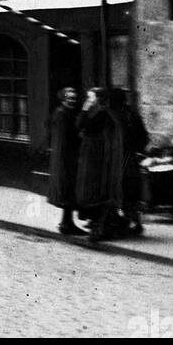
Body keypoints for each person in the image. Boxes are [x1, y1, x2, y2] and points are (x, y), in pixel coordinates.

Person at [76, 87, 121, 244]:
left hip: (98, 156)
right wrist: (84, 111)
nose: (88, 99)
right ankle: (96, 225)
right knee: (89, 189)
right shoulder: (93, 112)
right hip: (89, 154)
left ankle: (98, 227)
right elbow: (79, 125)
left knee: (96, 190)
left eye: (91, 97)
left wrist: (84, 111)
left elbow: (88, 127)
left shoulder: (103, 113)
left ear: (98, 99)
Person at [111, 87, 149, 235]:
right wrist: (137, 150)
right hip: (130, 158)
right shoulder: (131, 113)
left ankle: (125, 222)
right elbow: (143, 137)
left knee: (120, 190)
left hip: (117, 159)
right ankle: (135, 222)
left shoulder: (112, 114)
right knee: (131, 190)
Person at [47, 87, 85, 234]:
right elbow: (66, 138)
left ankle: (66, 222)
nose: (73, 100)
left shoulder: (65, 113)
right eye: (69, 98)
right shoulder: (62, 114)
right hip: (66, 158)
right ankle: (67, 224)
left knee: (68, 191)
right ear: (63, 99)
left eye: (74, 97)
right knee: (67, 190)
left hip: (66, 157)